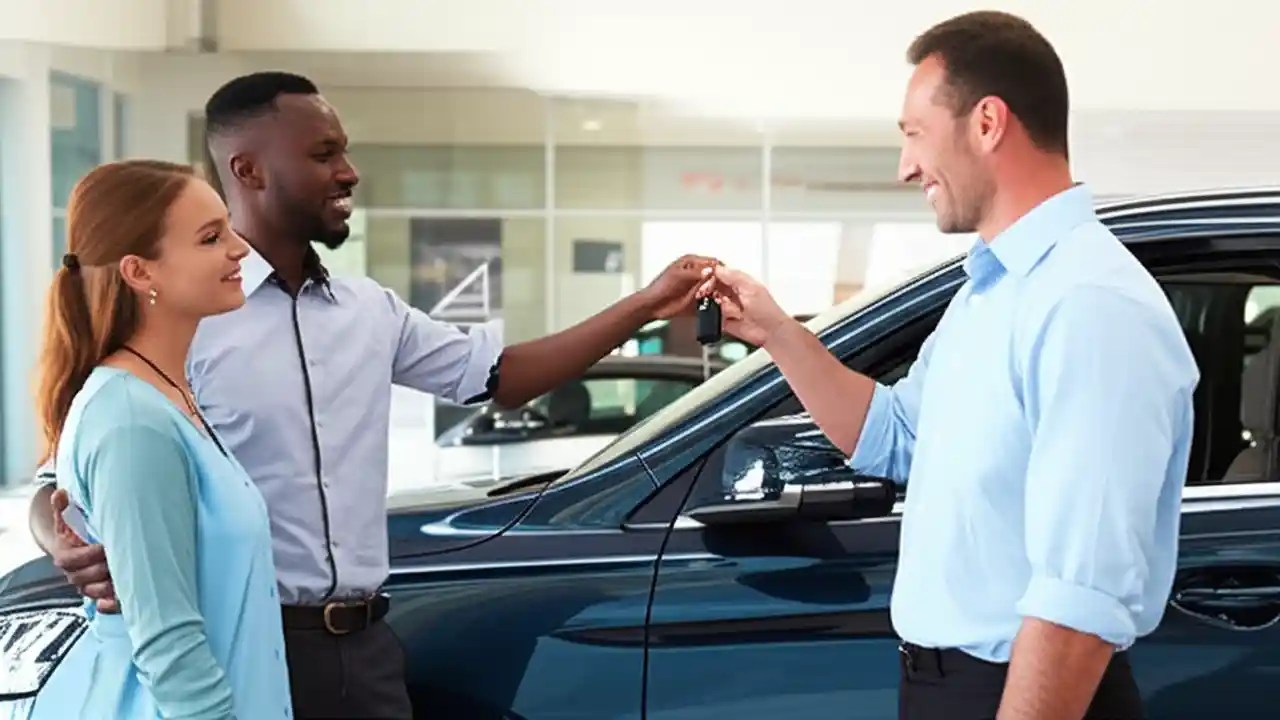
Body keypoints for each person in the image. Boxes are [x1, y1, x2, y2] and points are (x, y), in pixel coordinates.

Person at [28, 71, 716, 719]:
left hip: (368, 649)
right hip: (247, 643)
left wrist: (648, 304)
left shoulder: (368, 311)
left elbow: (502, 376)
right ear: (249, 170)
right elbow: (71, 477)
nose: (348, 172)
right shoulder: (184, 325)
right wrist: (65, 543)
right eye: (324, 153)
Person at [699, 11, 1197, 720]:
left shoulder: (1089, 306)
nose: (906, 166)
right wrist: (778, 332)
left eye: (914, 133)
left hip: (1025, 693)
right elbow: (897, 435)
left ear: (988, 122)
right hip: (949, 688)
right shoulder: (990, 295)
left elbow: (1079, 601)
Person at [24, 160, 291, 719]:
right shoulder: (131, 421)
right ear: (141, 273)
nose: (240, 249)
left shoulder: (167, 393)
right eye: (211, 237)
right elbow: (171, 651)